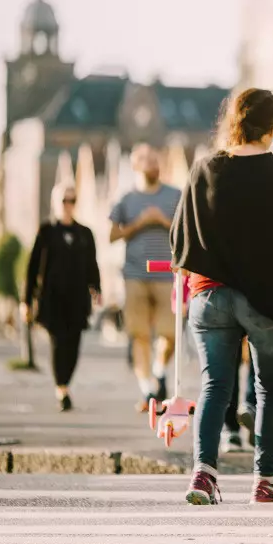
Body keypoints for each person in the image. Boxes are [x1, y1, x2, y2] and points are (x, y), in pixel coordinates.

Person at [171, 88, 273, 505]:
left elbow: (179, 239)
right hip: (265, 301)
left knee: (214, 387)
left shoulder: (203, 170)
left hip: (209, 297)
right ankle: (265, 480)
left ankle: (203, 476)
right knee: (269, 390)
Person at [109, 143, 182, 412]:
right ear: (136, 165)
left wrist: (162, 220)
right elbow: (112, 235)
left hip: (167, 274)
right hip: (135, 274)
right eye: (149, 160)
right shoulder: (126, 198)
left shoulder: (175, 194)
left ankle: (159, 370)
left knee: (170, 333)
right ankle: (148, 389)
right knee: (139, 334)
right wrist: (139, 222)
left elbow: (186, 231)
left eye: (157, 160)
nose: (155, 164)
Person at [22, 183, 101, 412]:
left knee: (74, 346)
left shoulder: (85, 233)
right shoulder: (46, 232)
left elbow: (92, 265)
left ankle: (64, 382)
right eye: (65, 200)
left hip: (77, 300)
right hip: (52, 300)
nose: (68, 205)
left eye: (72, 200)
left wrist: (97, 288)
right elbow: (32, 267)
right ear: (56, 203)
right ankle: (62, 389)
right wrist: (26, 301)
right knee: (58, 343)